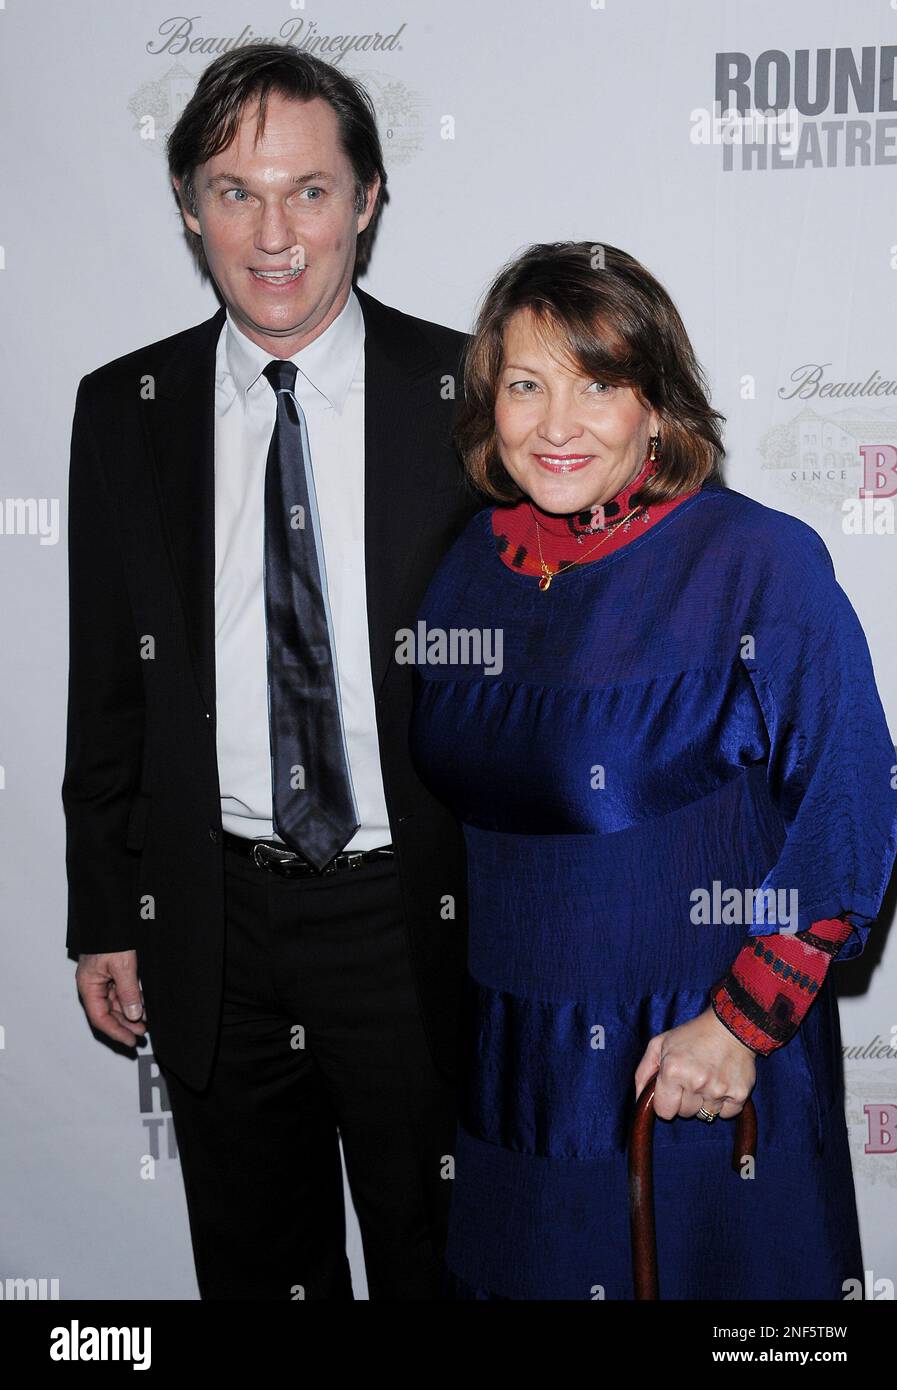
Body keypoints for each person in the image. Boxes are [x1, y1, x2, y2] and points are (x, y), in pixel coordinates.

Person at [62, 44, 482, 1300]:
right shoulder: (122, 407)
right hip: (214, 926)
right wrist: (102, 908)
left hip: (418, 918)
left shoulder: (472, 395)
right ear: (190, 208)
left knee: (444, 1265)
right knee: (259, 1275)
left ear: (367, 200)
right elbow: (108, 685)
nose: (274, 231)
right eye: (235, 191)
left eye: (308, 189)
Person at [408, 240, 897, 1300]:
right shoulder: (469, 564)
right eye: (526, 385)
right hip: (512, 1065)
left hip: (688, 1065)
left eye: (598, 385)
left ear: (659, 405)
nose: (555, 424)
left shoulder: (757, 562)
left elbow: (849, 803)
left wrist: (740, 1022)